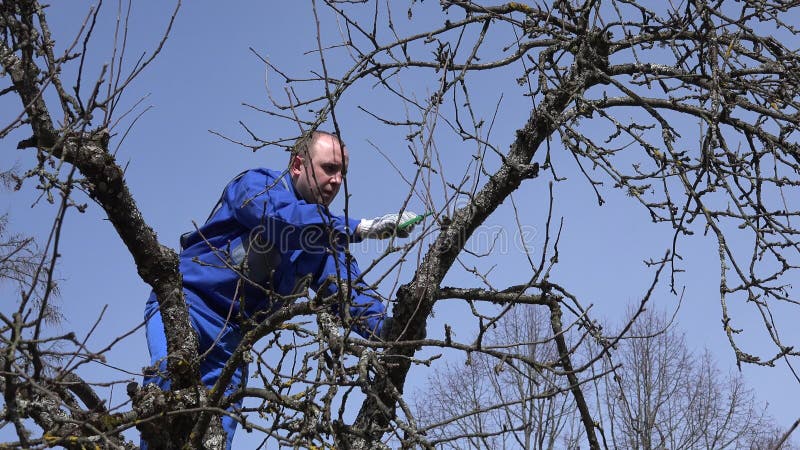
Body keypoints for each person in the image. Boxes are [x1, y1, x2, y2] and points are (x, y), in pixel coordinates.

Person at [142, 131, 417, 448]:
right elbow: (282, 220)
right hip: (189, 306)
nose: (338, 181)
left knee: (212, 439)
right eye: (329, 168)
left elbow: (349, 294)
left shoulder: (326, 247)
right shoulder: (258, 185)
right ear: (298, 165)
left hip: (233, 344)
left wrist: (397, 330)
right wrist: (358, 227)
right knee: (168, 390)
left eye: (342, 173)